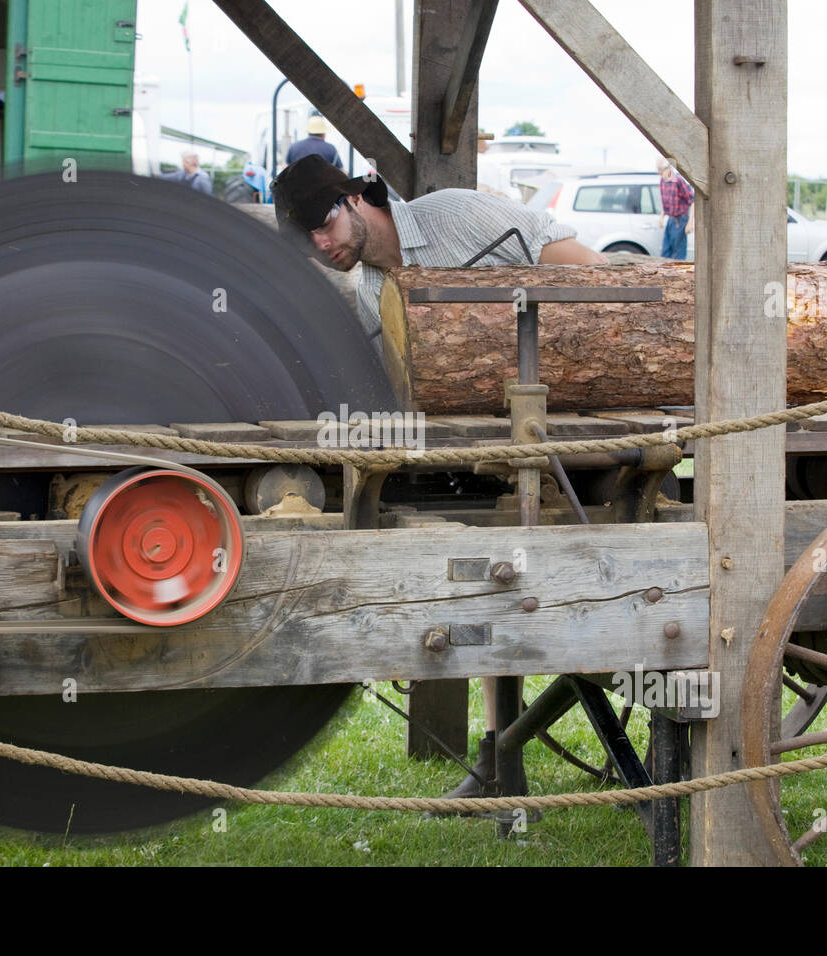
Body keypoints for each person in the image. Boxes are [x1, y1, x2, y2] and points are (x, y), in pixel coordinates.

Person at [271, 155, 606, 803]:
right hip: (501, 452)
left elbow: (596, 277)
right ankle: (499, 757)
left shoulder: (457, 214)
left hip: (586, 427)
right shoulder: (373, 297)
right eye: (304, 242)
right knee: (482, 579)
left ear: (354, 196)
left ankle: (520, 749)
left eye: (323, 223)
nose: (321, 246)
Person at [657, 157, 694, 259]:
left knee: (678, 256)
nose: (658, 172)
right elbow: (666, 202)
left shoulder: (678, 181)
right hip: (670, 219)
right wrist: (661, 216)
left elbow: (692, 201)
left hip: (681, 220)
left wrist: (690, 223)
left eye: (659, 170)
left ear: (666, 168)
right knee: (665, 253)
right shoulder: (662, 181)